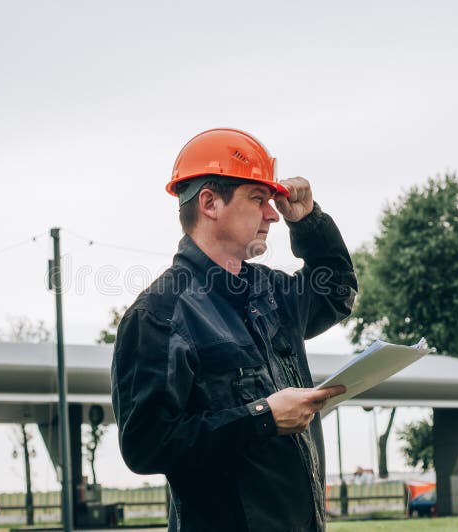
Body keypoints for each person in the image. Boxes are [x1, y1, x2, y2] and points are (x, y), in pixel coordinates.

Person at [111, 128, 357, 531]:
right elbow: (146, 446)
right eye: (258, 199)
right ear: (209, 202)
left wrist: (309, 222)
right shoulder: (159, 315)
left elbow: (337, 290)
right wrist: (263, 418)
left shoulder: (271, 292)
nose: (273, 214)